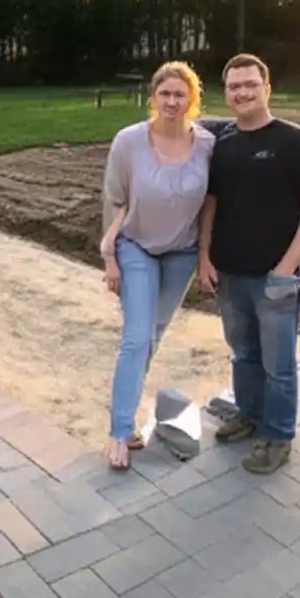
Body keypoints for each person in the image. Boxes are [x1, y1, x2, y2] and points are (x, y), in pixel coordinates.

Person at [197, 53, 300, 475]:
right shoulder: (224, 144)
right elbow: (211, 205)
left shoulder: (294, 141)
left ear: (266, 89)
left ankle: (277, 435)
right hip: (230, 275)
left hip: (275, 281)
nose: (242, 92)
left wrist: (284, 270)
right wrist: (204, 256)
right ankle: (250, 414)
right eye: (235, 87)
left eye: (250, 85)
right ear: (228, 93)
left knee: (279, 366)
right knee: (243, 355)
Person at [100, 61, 216, 471]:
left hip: (181, 253)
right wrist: (110, 257)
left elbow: (210, 205)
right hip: (136, 247)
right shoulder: (128, 142)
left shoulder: (206, 145)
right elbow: (114, 200)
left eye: (179, 94)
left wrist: (203, 255)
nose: (171, 101)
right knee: (136, 337)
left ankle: (126, 409)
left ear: (192, 100)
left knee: (153, 335)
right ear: (153, 98)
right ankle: (119, 430)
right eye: (164, 94)